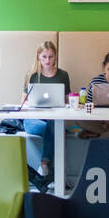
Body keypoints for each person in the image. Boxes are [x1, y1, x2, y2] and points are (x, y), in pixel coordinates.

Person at [22, 40, 71, 179]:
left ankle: (44, 164)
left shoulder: (63, 75)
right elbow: (23, 102)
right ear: (38, 57)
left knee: (53, 124)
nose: (47, 60)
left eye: (50, 56)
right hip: (33, 120)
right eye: (44, 57)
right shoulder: (31, 75)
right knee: (53, 129)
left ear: (55, 56)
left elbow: (67, 101)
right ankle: (47, 166)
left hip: (54, 119)